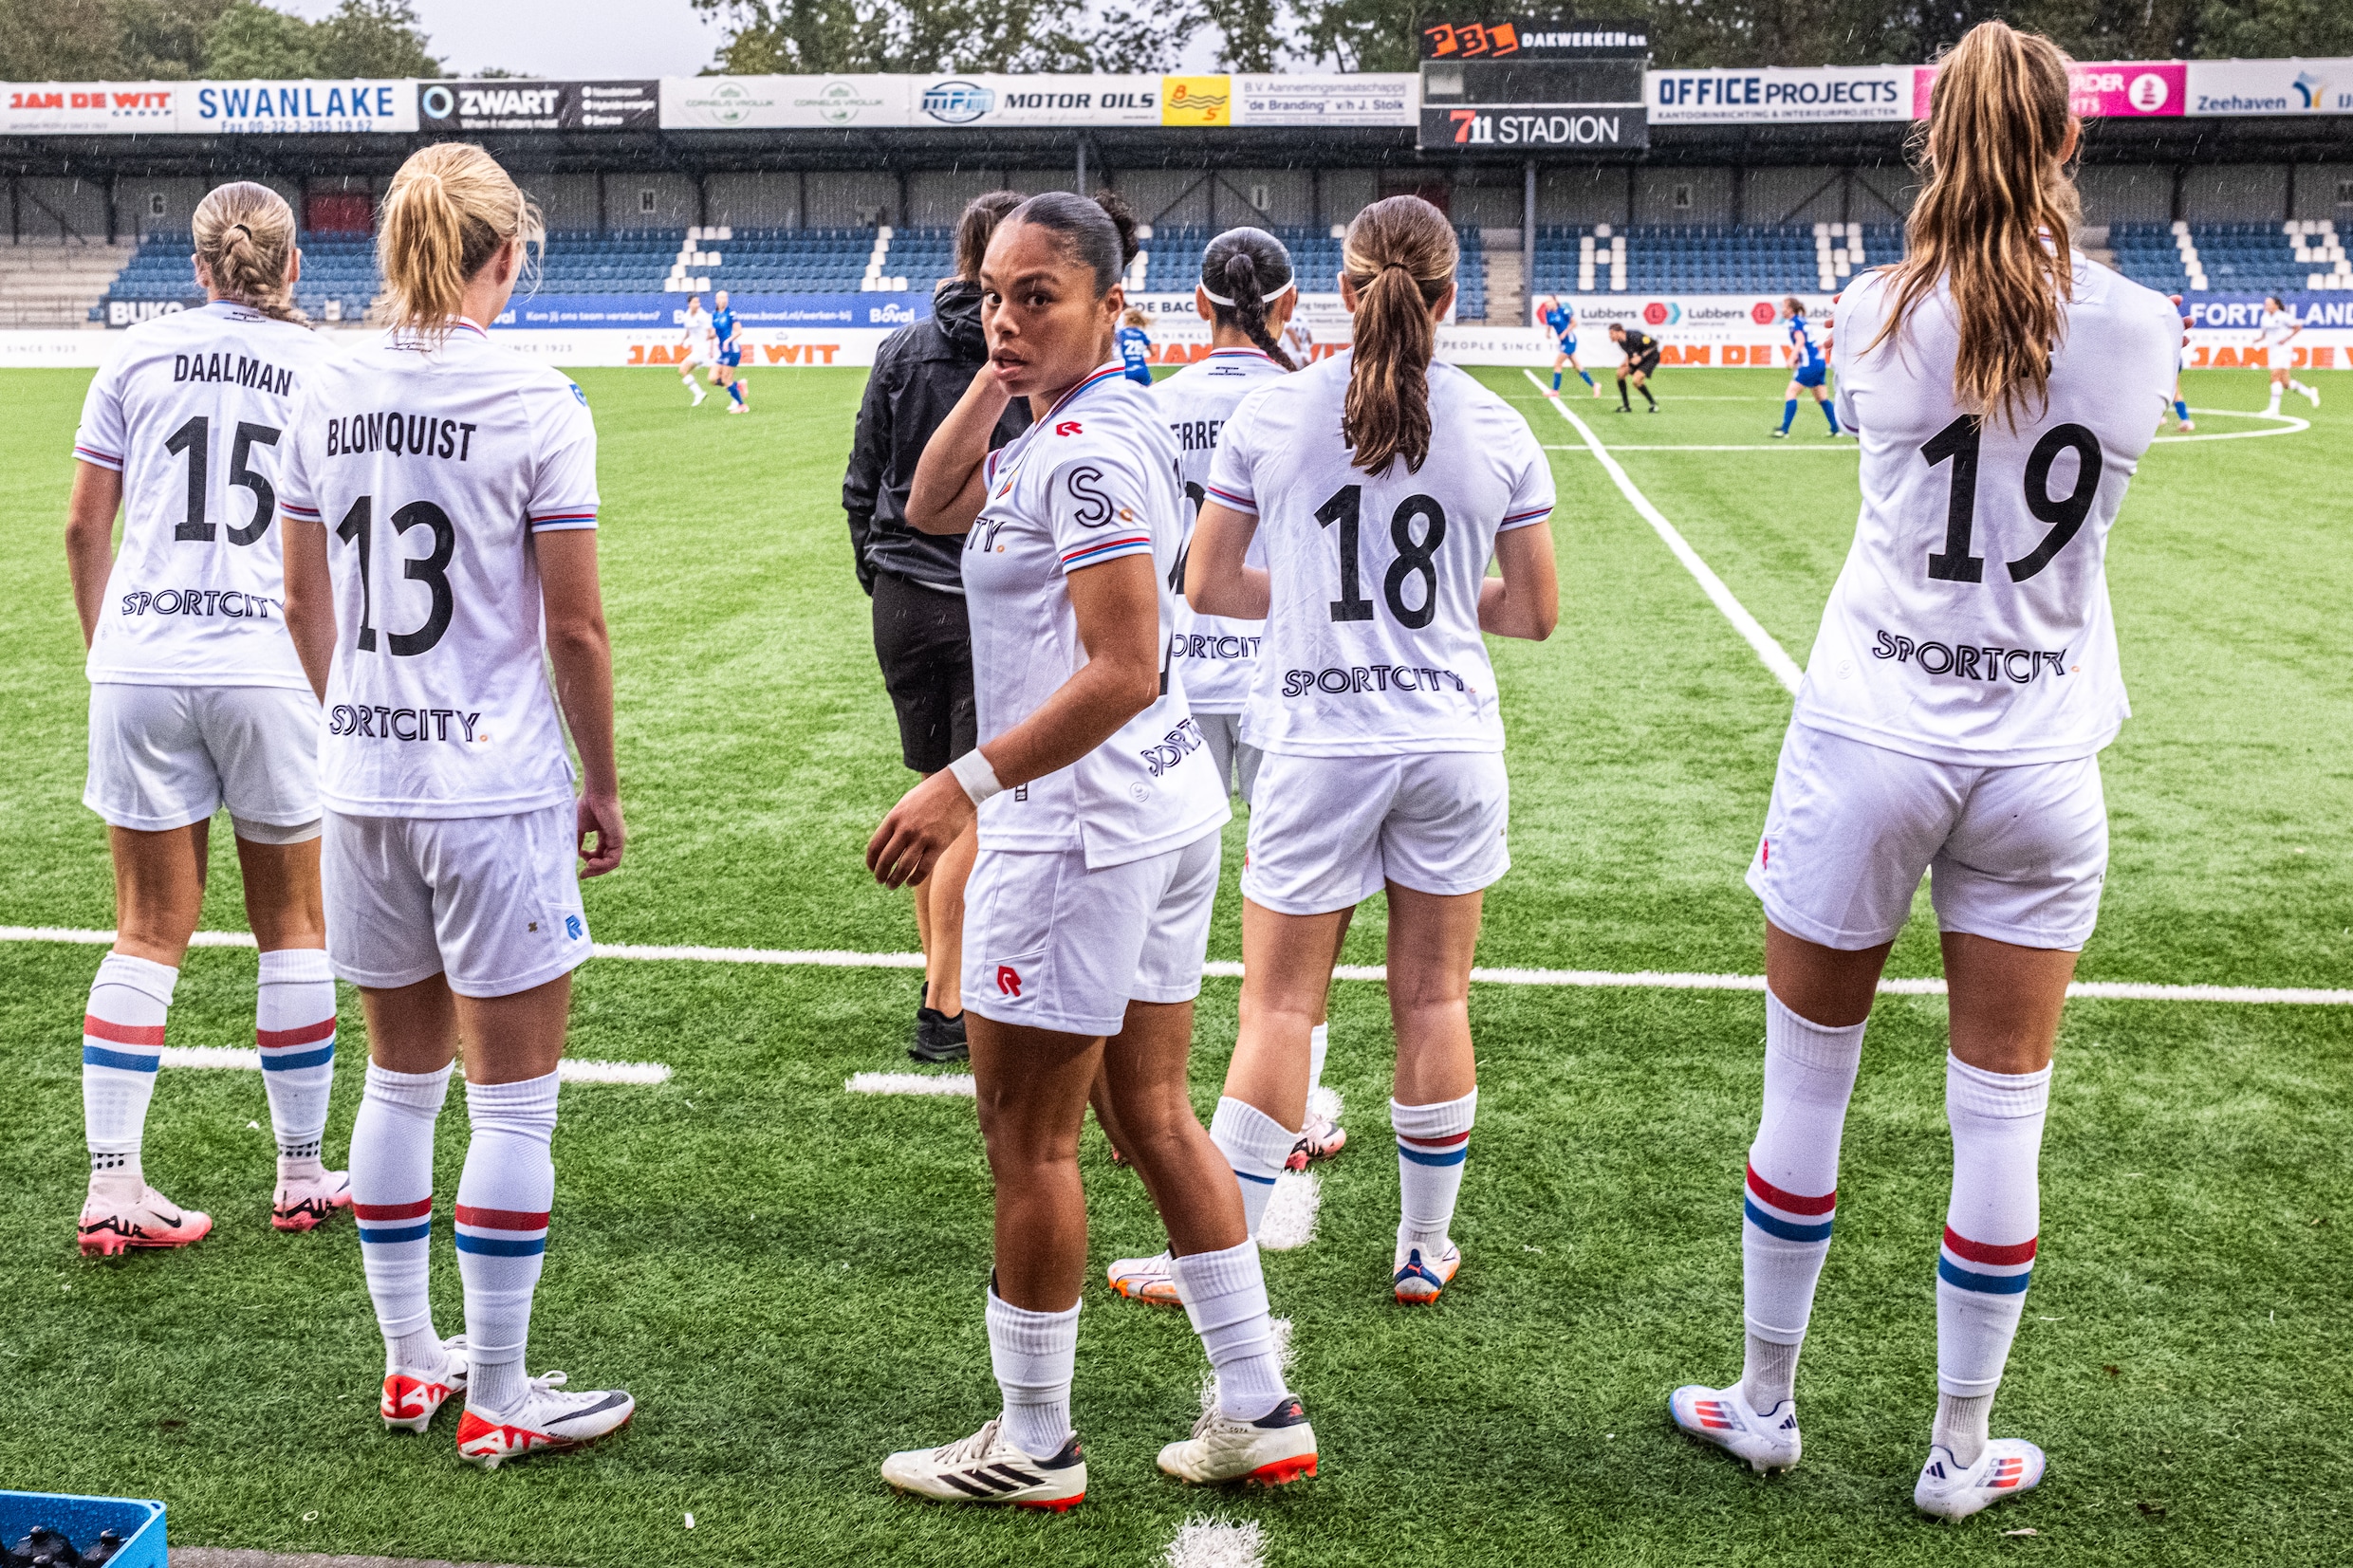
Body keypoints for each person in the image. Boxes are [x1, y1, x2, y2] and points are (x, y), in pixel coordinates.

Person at [1664, 21, 2179, 1522]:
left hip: (1868, 738)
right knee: (2000, 1112)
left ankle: (1765, 1401)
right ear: (2074, 146)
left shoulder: (1871, 304)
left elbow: (1948, 336)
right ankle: (1961, 1448)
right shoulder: (2146, 327)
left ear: (1935, 145)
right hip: (2041, 753)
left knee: (1806, 1088)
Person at [866, 190, 1310, 1506]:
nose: (1006, 319)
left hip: (1076, 829)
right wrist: (999, 376)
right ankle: (1257, 1404)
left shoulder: (1090, 453)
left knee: (1029, 1136)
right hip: (1150, 814)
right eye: (992, 296)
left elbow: (1127, 664)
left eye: (1038, 297)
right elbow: (929, 502)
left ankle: (1034, 1440)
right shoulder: (1056, 424)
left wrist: (964, 782)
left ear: (1115, 308)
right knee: (1149, 1111)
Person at [278, 142, 635, 1470]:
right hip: (491, 790)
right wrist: (599, 781)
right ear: (506, 254)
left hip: (359, 779)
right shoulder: (537, 396)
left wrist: (358, 721)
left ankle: (407, 1364)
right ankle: (498, 1389)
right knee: (516, 1104)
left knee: (401, 1080)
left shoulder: (327, 385)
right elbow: (578, 629)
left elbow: (307, 603)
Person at [1183, 194, 1560, 1307]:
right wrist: (1442, 606)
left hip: (1316, 738)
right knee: (1433, 1001)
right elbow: (1534, 611)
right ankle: (1421, 1247)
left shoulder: (1275, 414)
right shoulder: (1496, 423)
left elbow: (1205, 584)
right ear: (1447, 298)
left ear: (1343, 292)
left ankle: (1224, 1253)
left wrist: (1304, 600)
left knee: (1279, 1009)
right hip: (1449, 741)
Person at [64, 180, 346, 1257]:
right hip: (268, 662)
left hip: (140, 658)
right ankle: (302, 1174)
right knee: (291, 924)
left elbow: (86, 528)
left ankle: (113, 1186)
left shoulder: (133, 355)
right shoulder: (324, 365)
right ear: (292, 267)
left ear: (196, 264)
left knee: (144, 928)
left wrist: (111, 654)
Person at [1103, 227, 1346, 1312]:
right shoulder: (1312, 400)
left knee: (1165, 894)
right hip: (1283, 668)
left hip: (1172, 666)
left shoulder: (1155, 404)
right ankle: (1298, 1104)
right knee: (1296, 903)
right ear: (1290, 302)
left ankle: (1143, 1102)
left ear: (1195, 302)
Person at [843, 190, 1030, 1062]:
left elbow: (862, 479)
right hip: (977, 603)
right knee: (970, 809)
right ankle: (946, 1002)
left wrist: (878, 572)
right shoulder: (1025, 360)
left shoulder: (899, 349)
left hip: (901, 604)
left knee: (934, 789)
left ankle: (938, 975)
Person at [1772, 297, 1841, 437]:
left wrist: (1791, 358)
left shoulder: (1794, 323)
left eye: (1784, 307)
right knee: (1821, 398)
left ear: (1790, 309)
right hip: (1818, 362)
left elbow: (1801, 341)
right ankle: (1835, 428)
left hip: (1809, 364)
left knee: (1791, 393)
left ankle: (1784, 430)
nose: (1781, 310)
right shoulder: (1801, 320)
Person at [2258, 294, 2319, 415]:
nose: (2266, 306)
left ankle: (2273, 409)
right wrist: (2257, 340)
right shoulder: (2264, 318)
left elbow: (2298, 326)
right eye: (2265, 303)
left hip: (2283, 350)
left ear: (2275, 305)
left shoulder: (2283, 317)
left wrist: (2286, 339)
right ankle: (2310, 392)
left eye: (2268, 303)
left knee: (2274, 376)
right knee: (2285, 383)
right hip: (2273, 350)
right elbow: (2264, 334)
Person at [1538, 293, 1598, 397]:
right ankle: (1594, 385)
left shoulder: (1563, 311)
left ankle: (1555, 391)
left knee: (1557, 364)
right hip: (1563, 341)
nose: (1547, 304)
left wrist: (1565, 332)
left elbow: (1574, 323)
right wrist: (1547, 333)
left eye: (1549, 301)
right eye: (1546, 302)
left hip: (1569, 340)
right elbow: (1549, 324)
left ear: (1555, 301)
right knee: (1577, 366)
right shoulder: (1548, 312)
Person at [1609, 321, 1662, 413]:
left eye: (1611, 333)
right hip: (1638, 359)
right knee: (1620, 373)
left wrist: (1641, 357)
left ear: (1619, 332)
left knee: (1636, 380)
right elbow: (1629, 352)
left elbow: (1655, 344)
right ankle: (1626, 406)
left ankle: (1653, 404)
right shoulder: (1620, 341)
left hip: (1651, 358)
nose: (1610, 336)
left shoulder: (1635, 335)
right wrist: (1625, 362)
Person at [713, 288, 749, 413]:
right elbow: (716, 332)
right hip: (722, 351)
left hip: (732, 350)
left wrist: (728, 340)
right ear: (716, 300)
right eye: (720, 298)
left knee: (725, 380)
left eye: (725, 297)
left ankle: (742, 406)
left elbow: (739, 331)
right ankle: (738, 385)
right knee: (712, 378)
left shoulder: (731, 314)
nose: (722, 300)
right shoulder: (715, 315)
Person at [676, 295, 713, 406]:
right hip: (697, 352)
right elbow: (689, 331)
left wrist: (711, 349)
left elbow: (711, 333)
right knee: (683, 370)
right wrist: (683, 339)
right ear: (689, 304)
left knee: (718, 379)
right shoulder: (686, 316)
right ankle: (699, 393)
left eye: (698, 302)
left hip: (706, 351)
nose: (698, 304)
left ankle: (738, 390)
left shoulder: (703, 316)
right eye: (695, 302)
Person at [1117, 306, 1155, 384]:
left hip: (1127, 371)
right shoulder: (1140, 334)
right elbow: (1153, 352)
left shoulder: (1121, 333)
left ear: (1127, 319)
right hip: (1142, 370)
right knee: (1150, 390)